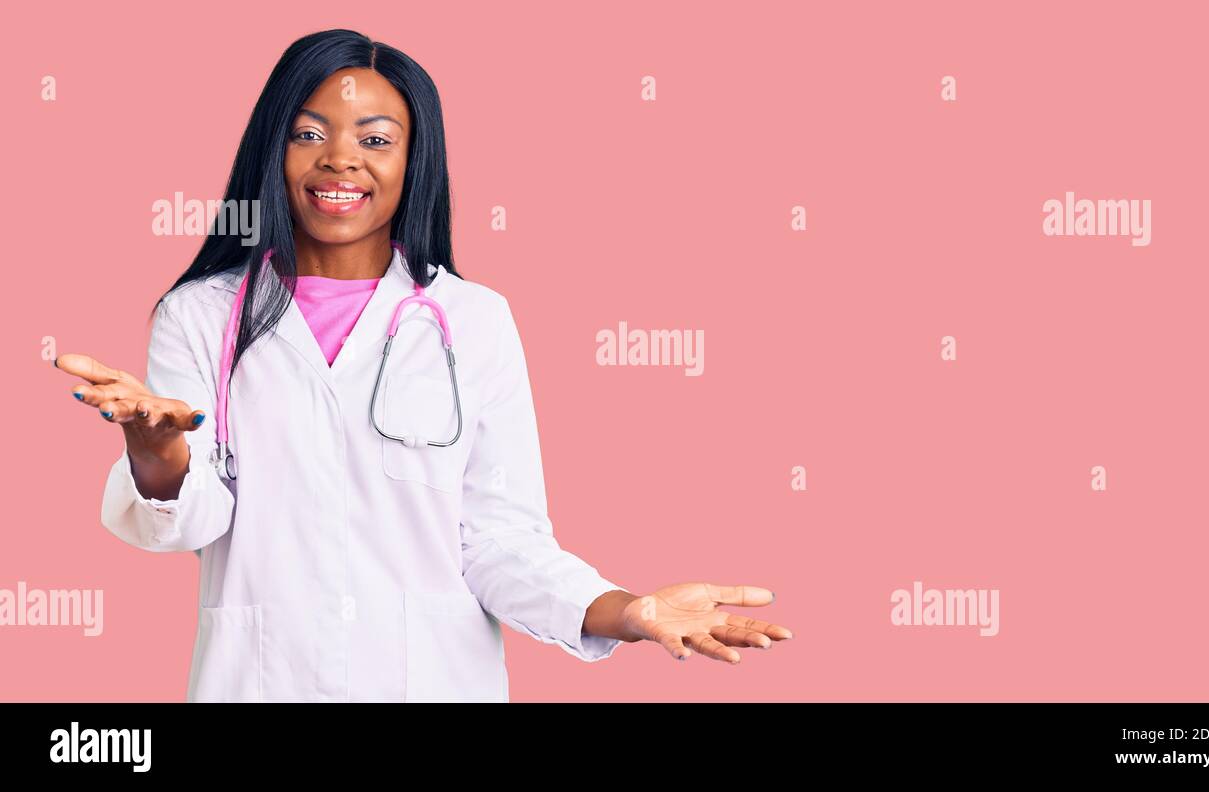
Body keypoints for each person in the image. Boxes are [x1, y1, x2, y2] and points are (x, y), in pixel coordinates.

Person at [54, 29, 792, 702]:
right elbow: (191, 520)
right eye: (308, 133)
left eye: (376, 138)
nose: (340, 157)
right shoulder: (202, 315)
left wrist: (626, 610)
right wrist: (158, 453)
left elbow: (500, 542)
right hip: (261, 681)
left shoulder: (474, 322)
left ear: (415, 160)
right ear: (272, 150)